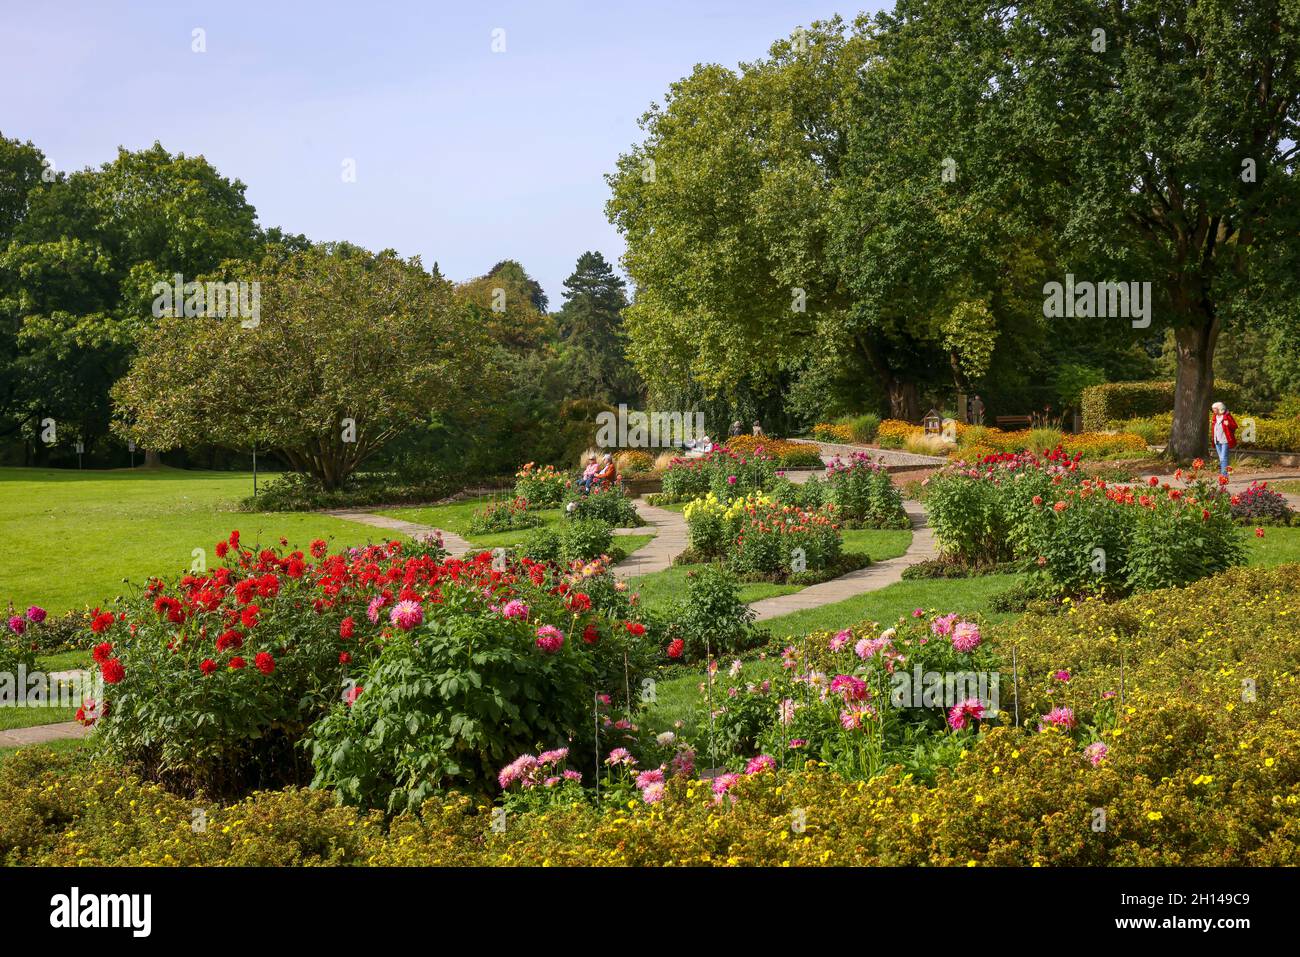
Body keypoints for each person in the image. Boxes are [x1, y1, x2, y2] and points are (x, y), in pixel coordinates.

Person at [1211, 401, 1238, 477]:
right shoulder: (1214, 417)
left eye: (1214, 409)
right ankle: (1227, 472)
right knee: (1221, 458)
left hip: (1225, 440)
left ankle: (1224, 476)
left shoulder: (1227, 416)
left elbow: (1235, 426)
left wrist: (1228, 424)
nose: (1213, 410)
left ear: (1219, 408)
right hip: (1217, 441)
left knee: (1223, 458)